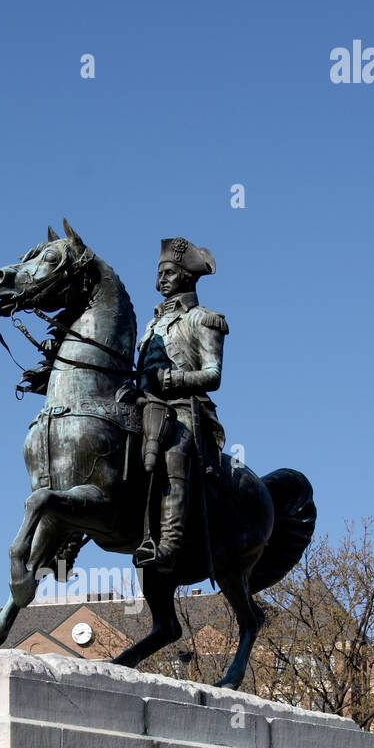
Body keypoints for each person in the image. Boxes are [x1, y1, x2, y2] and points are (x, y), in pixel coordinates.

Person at [134, 238, 228, 571]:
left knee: (176, 446)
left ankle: (170, 544)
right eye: (159, 273)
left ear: (187, 277)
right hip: (146, 404)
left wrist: (175, 380)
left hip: (186, 409)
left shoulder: (204, 319)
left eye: (169, 273)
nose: (160, 281)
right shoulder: (150, 325)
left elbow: (213, 375)